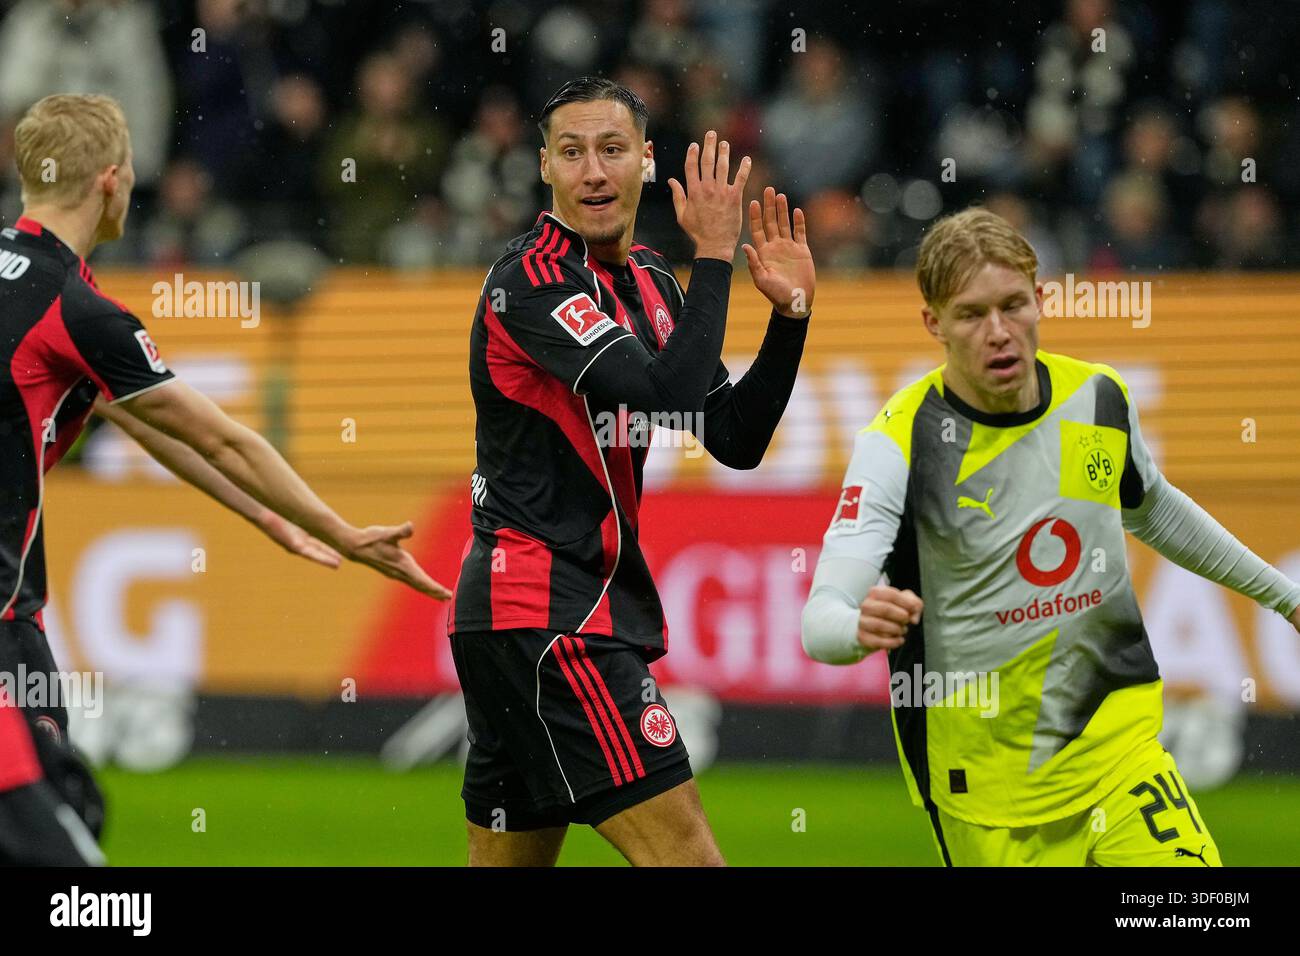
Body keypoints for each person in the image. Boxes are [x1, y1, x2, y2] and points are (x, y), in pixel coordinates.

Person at [0, 93, 449, 864]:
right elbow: (221, 437)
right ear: (111, 181)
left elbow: (136, 421)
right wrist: (336, 528)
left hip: (19, 617)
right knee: (62, 853)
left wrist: (263, 518)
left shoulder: (35, 295)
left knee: (68, 800)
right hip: (5, 615)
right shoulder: (78, 311)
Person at [801, 206, 1300, 867]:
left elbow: (1153, 511)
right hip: (983, 786)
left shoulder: (1095, 400)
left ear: (1041, 300)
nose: (999, 332)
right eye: (972, 314)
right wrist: (857, 625)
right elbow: (820, 619)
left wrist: (1285, 598)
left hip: (1118, 751)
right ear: (934, 324)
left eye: (1014, 305)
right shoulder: (900, 446)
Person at [448, 76, 815, 866]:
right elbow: (662, 392)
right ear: (543, 165)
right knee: (689, 860)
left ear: (646, 162)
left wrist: (789, 320)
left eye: (613, 150)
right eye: (572, 153)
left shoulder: (649, 280)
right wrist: (714, 255)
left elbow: (732, 434)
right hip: (553, 618)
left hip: (525, 619)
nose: (593, 173)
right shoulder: (532, 281)